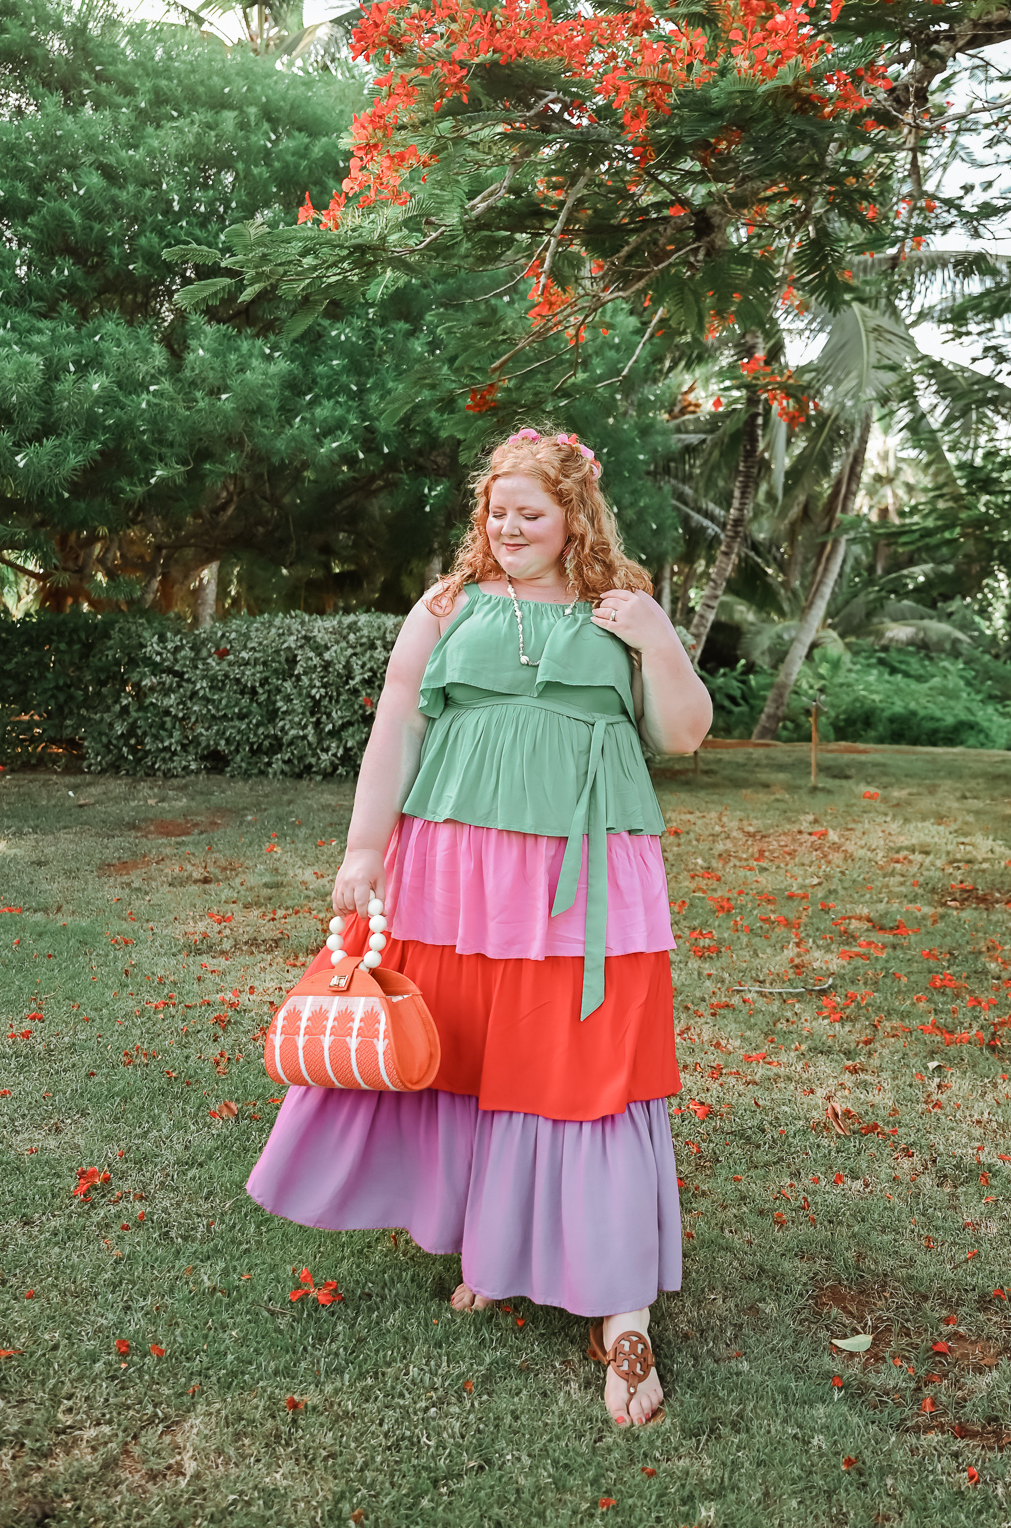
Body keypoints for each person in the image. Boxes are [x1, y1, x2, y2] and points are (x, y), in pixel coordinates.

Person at [247, 426, 711, 1427]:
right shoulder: (445, 605)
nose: (506, 526)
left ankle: (621, 1310)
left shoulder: (618, 607)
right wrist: (363, 852)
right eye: (496, 510)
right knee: (474, 1056)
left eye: (528, 510)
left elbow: (682, 733)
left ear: (574, 514)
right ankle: (493, 1249)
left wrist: (659, 639)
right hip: (456, 868)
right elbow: (398, 725)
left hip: (585, 874)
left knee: (589, 1068)